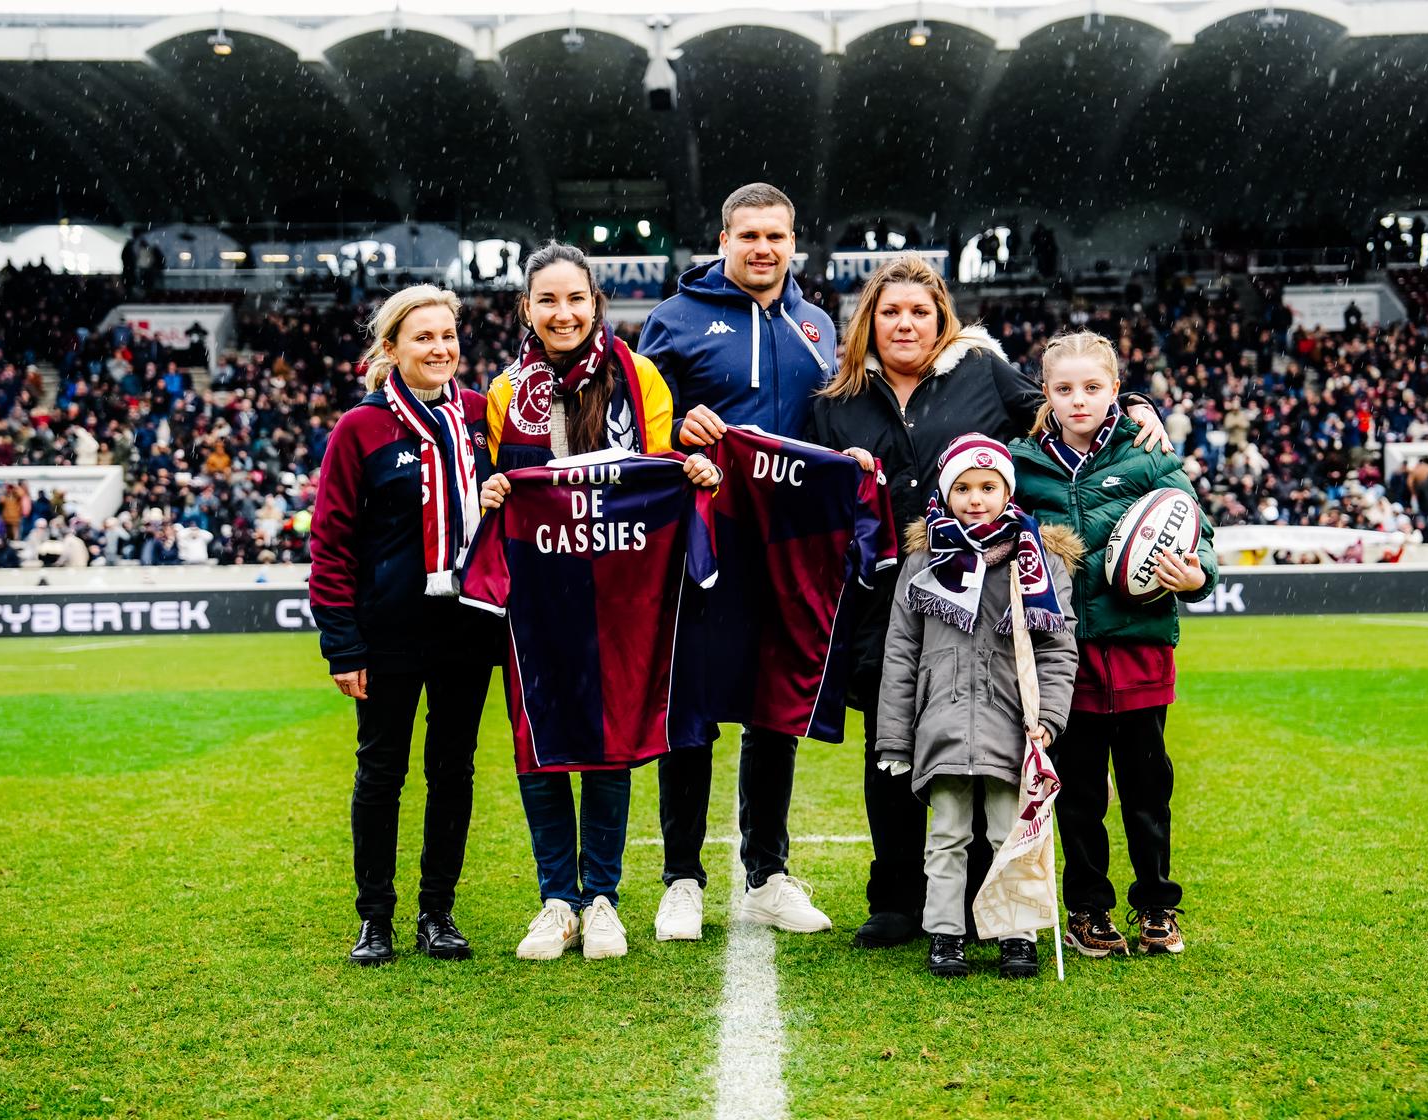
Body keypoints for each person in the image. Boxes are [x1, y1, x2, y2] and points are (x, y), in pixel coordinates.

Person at [807, 254, 1171, 949]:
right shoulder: (836, 401)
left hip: (983, 599)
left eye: (919, 311)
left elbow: (1067, 413)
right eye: (890, 312)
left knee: (980, 737)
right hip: (882, 595)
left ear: (942, 317)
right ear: (868, 321)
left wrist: (1133, 409)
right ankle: (895, 898)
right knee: (894, 735)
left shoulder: (980, 372)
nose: (905, 323)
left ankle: (976, 895)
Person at [477, 242, 720, 961]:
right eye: (547, 300)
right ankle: (557, 899)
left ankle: (604, 897)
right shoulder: (502, 393)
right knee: (541, 741)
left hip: (619, 588)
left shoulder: (640, 378)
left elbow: (655, 472)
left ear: (596, 304)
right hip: (539, 593)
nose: (563, 313)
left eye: (575, 299)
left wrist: (691, 468)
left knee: (611, 736)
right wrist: (492, 492)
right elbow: (497, 488)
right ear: (527, 309)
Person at [635, 183, 841, 941]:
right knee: (687, 711)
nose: (763, 248)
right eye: (748, 235)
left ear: (794, 244)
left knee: (774, 710)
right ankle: (681, 879)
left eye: (776, 237)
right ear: (722, 240)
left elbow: (839, 420)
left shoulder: (818, 325)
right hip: (700, 548)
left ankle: (768, 873)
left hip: (786, 552)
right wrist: (676, 430)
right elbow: (636, 425)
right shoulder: (674, 319)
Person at [310, 284, 502, 967]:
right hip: (387, 631)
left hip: (467, 626)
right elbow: (330, 544)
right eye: (423, 338)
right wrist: (342, 643)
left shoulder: (484, 416)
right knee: (381, 771)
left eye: (448, 336)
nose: (440, 348)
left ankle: (438, 912)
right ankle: (376, 918)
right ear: (389, 348)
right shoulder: (359, 429)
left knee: (453, 769)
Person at [1010, 330, 1218, 958]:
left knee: (1147, 789)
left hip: (1138, 652)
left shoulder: (1149, 456)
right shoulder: (1022, 464)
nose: (1079, 400)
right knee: (1076, 793)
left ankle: (1157, 905)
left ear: (1116, 392)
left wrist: (1197, 573)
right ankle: (1088, 911)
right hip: (1064, 661)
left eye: (1093, 388)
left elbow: (1198, 534)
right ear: (1045, 392)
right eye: (1065, 389)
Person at [874, 435, 1080, 978]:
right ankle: (945, 934)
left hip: (1013, 725)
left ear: (1007, 490)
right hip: (940, 724)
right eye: (962, 487)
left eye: (989, 487)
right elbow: (901, 651)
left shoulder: (1038, 560)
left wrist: (1050, 720)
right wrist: (895, 738)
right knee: (946, 837)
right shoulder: (924, 559)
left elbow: (1058, 650)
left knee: (1012, 837)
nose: (975, 498)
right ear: (946, 492)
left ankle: (1017, 935)